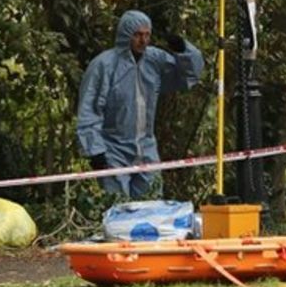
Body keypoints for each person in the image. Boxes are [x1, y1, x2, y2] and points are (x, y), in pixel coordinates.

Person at [77, 10, 204, 198]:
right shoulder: (104, 66)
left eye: (147, 35)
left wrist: (184, 49)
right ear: (125, 35)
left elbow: (190, 75)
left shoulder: (154, 60)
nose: (143, 41)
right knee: (118, 207)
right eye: (137, 35)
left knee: (152, 204)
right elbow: (89, 109)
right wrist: (95, 150)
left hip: (146, 148)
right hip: (113, 150)